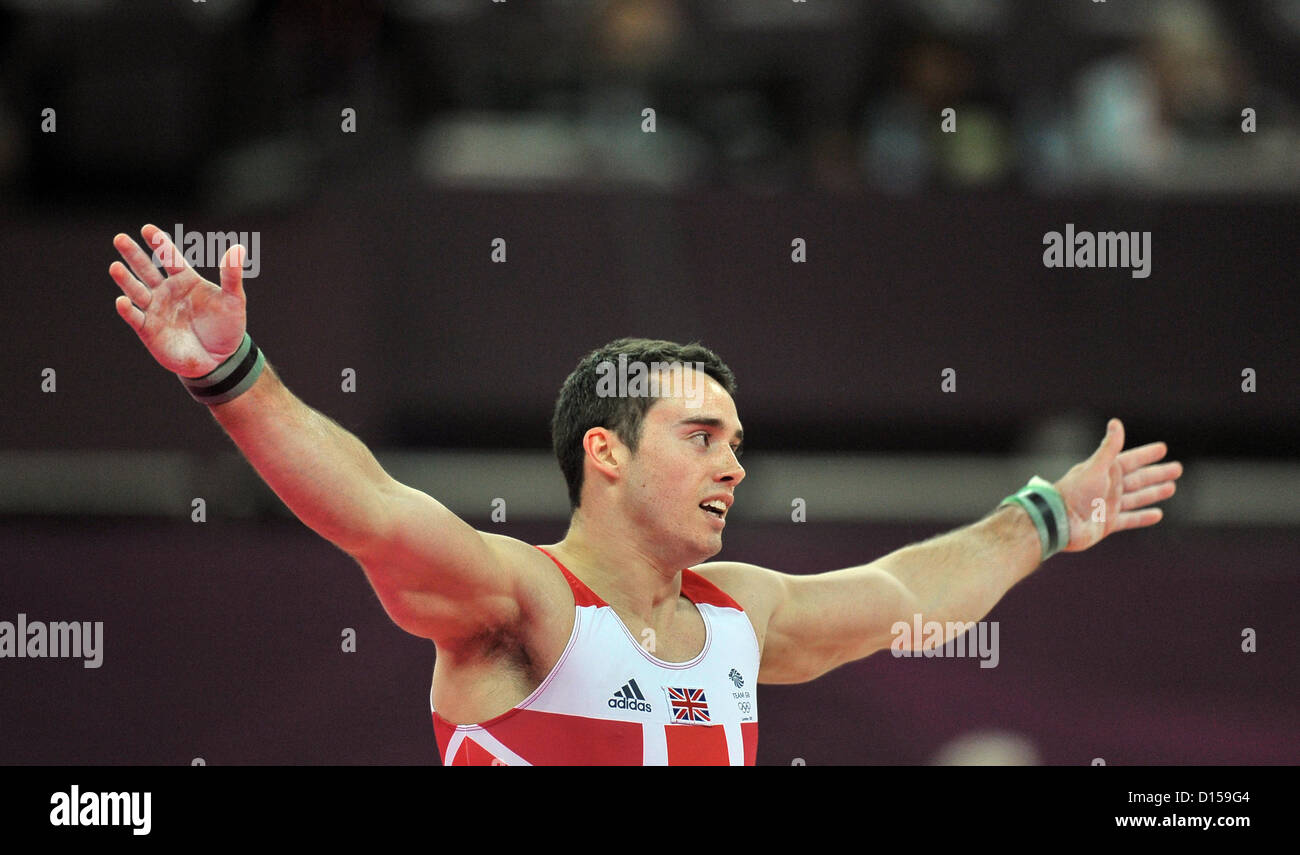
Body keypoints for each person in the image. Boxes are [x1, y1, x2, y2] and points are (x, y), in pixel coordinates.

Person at [110, 224, 1184, 765]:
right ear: (606, 452)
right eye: (701, 435)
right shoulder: (522, 605)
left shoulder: (738, 617)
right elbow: (374, 513)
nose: (733, 464)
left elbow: (903, 591)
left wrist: (1040, 518)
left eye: (738, 441)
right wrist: (232, 376)